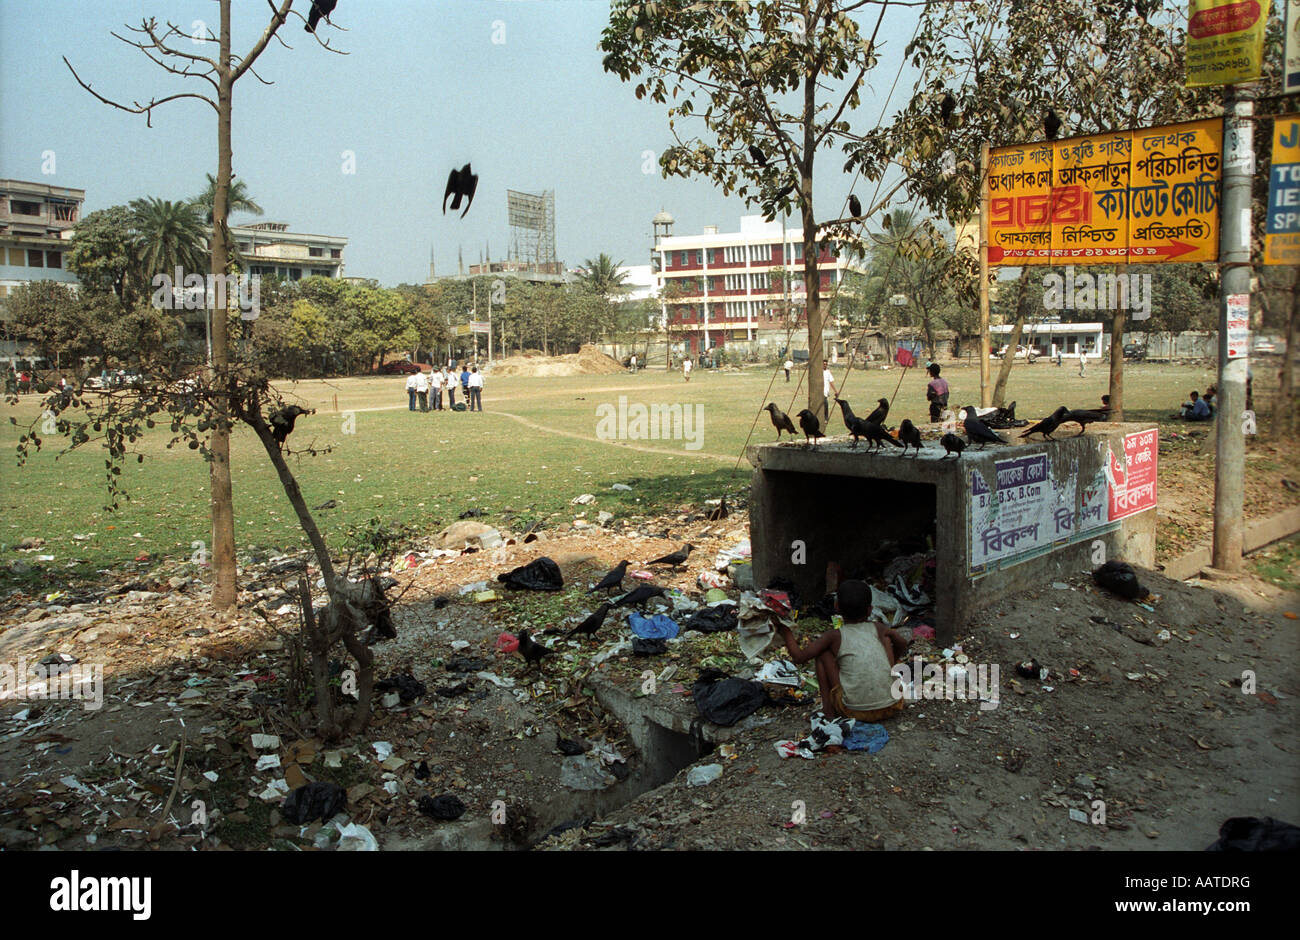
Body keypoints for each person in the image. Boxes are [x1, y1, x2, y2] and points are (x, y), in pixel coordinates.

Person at [772, 580, 907, 722]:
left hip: (853, 711)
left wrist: (785, 631)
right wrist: (891, 663)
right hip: (892, 706)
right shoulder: (879, 628)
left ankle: (829, 712)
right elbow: (902, 643)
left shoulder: (834, 636)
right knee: (886, 640)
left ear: (836, 607)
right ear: (870, 610)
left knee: (822, 654)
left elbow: (800, 657)